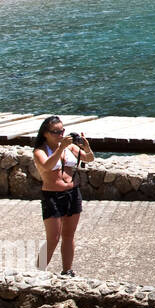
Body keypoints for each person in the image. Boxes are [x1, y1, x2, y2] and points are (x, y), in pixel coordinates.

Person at [32, 117, 93, 276]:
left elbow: (89, 158)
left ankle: (67, 270)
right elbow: (47, 166)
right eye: (56, 132)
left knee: (68, 235)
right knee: (53, 238)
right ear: (45, 134)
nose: (61, 134)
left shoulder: (70, 147)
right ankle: (38, 272)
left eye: (62, 131)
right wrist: (61, 148)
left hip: (72, 193)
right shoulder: (40, 151)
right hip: (52, 196)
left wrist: (87, 147)